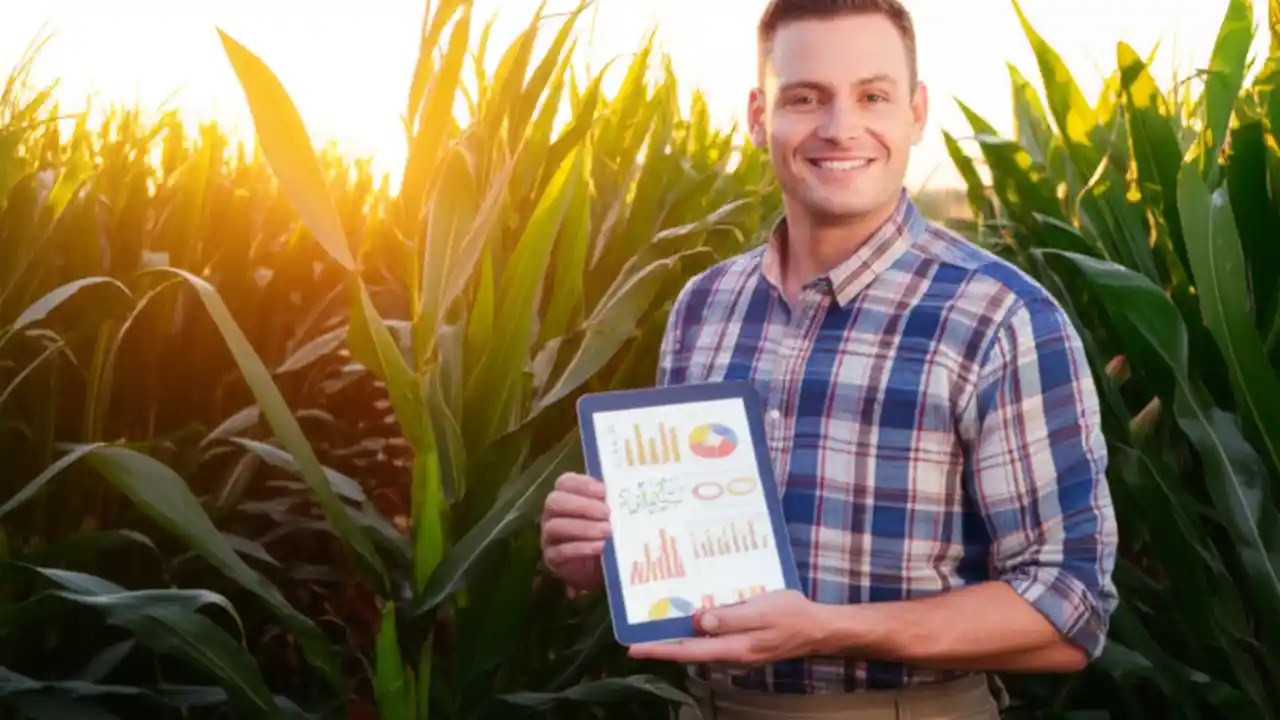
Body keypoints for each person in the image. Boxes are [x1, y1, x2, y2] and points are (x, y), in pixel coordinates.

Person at [539, 0, 1119, 717]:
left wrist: (827, 629)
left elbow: (1069, 609)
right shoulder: (702, 307)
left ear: (915, 112)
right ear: (759, 116)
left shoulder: (1000, 319)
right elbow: (687, 559)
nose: (840, 128)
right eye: (805, 98)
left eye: (872, 96)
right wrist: (597, 556)